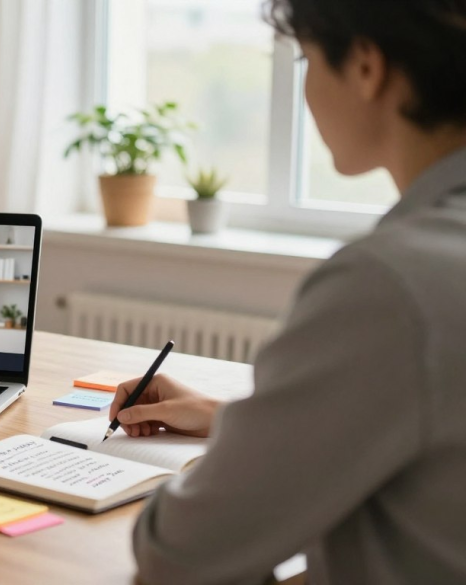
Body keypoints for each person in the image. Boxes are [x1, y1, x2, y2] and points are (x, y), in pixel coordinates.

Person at [112, 1, 466, 583]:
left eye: (304, 58)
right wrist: (232, 419)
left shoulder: (389, 285)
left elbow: (179, 552)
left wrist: (234, 460)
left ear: (366, 67)